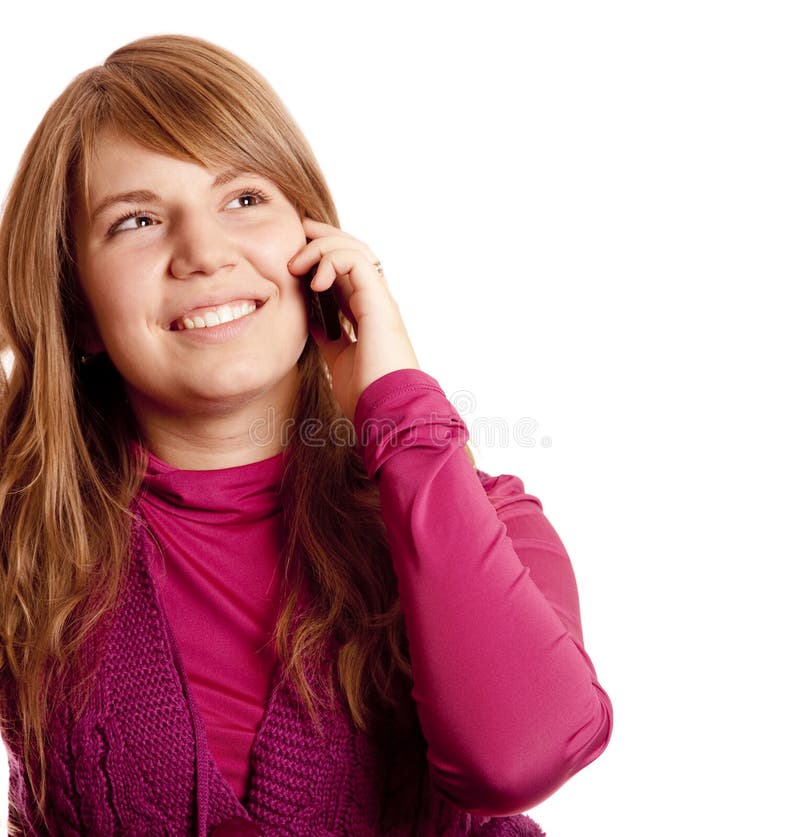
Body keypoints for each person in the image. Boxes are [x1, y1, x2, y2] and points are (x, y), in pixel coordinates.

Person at [0, 34, 612, 836]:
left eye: (245, 199)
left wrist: (397, 401)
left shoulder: (480, 517)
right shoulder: (24, 538)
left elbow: (517, 760)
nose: (205, 253)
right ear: (77, 307)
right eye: (139, 220)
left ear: (316, 248)